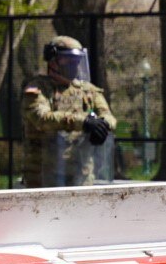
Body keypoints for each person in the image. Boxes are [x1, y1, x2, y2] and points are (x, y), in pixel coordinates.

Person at [22, 35, 117, 187]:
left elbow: (109, 117)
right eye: (68, 60)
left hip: (81, 177)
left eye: (77, 60)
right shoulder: (39, 89)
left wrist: (101, 126)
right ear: (53, 61)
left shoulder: (87, 91)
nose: (74, 65)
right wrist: (83, 122)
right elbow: (42, 118)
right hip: (44, 179)